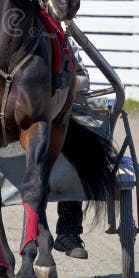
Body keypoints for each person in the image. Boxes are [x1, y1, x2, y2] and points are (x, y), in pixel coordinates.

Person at [54, 40, 91, 259]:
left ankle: (68, 231)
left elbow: (84, 79)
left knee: (76, 142)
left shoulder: (59, 35)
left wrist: (63, 83)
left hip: (58, 115)